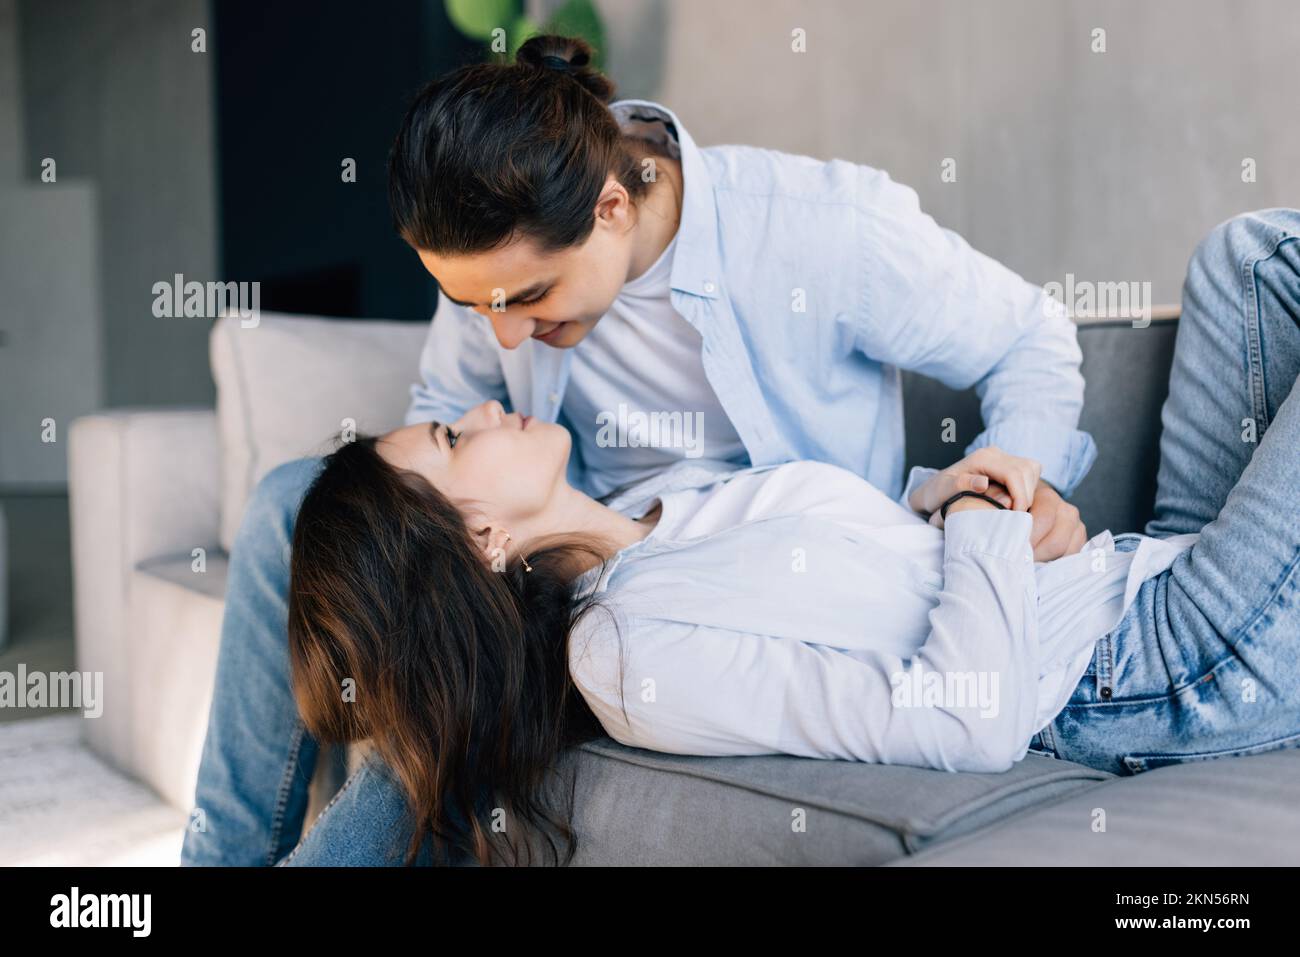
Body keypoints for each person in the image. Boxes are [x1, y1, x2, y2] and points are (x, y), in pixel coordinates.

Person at [183, 31, 1098, 866]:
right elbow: (437, 435)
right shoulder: (496, 246)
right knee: (293, 506)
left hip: (745, 578)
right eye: (474, 308)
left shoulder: (818, 229)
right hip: (573, 552)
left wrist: (1014, 487)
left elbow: (1034, 340)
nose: (501, 342)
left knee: (456, 677)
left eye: (526, 298)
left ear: (614, 207)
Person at [279, 195, 1300, 865]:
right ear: (480, 545)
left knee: (1250, 258)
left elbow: (871, 577)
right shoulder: (629, 653)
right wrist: (986, 527)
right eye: (455, 439)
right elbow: (970, 718)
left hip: (1138, 569)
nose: (487, 402)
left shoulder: (672, 506)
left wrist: (961, 501)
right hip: (1153, 665)